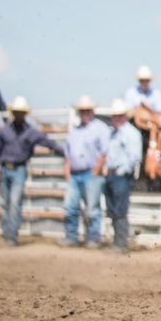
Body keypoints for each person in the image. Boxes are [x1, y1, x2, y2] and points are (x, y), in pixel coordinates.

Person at [0, 97, 64, 246]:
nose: (19, 115)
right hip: (5, 169)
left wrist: (63, 152)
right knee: (5, 203)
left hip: (19, 169)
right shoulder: (5, 131)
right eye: (17, 112)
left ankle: (12, 235)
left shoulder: (30, 132)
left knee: (14, 201)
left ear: (24, 114)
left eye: (21, 112)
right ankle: (7, 233)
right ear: (13, 113)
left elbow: (46, 141)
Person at [61, 96, 109, 248]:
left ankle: (93, 238)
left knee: (92, 208)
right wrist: (67, 172)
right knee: (70, 207)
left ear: (92, 111)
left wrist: (96, 170)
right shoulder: (74, 131)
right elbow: (68, 154)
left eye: (87, 111)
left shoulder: (100, 128)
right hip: (75, 174)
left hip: (91, 173)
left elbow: (105, 152)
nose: (85, 113)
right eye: (82, 111)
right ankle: (71, 237)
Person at [101, 99, 142, 253]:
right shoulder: (112, 134)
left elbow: (135, 157)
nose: (116, 118)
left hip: (122, 176)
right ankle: (118, 242)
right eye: (115, 116)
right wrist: (106, 168)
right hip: (111, 175)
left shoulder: (131, 133)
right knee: (112, 209)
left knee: (120, 209)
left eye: (119, 115)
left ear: (125, 116)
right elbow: (108, 154)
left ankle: (121, 243)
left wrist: (121, 170)